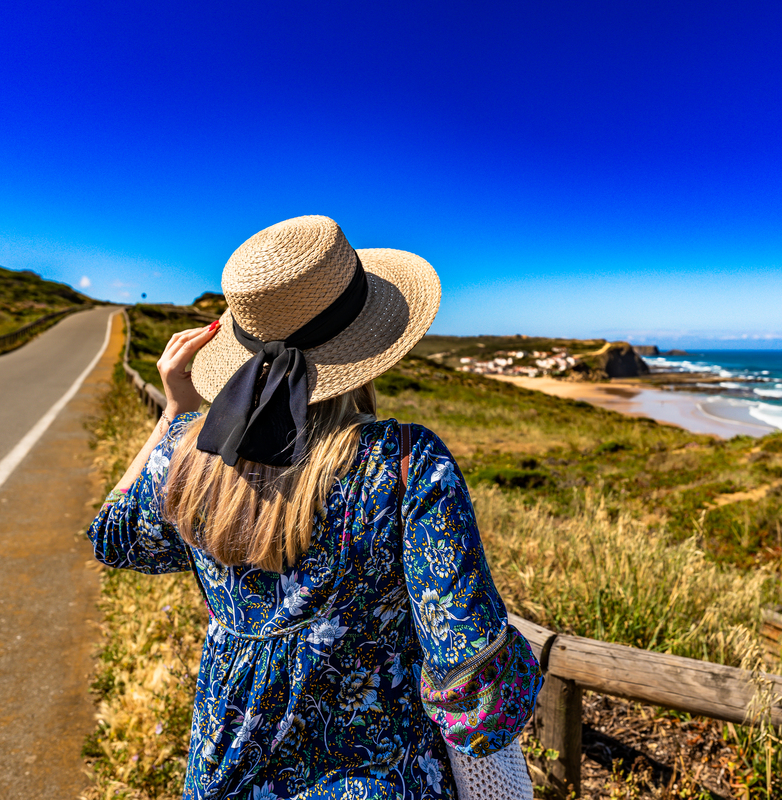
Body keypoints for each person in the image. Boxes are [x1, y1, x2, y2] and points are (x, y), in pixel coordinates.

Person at [88, 216, 542, 799]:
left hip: (222, 773)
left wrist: (173, 415)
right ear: (364, 341)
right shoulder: (406, 463)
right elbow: (474, 685)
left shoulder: (190, 454)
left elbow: (115, 538)